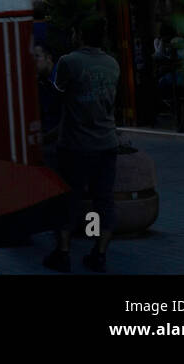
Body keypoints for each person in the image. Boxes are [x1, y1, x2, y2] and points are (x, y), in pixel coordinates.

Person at [42, 17, 120, 273]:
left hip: (75, 143)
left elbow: (57, 92)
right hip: (107, 142)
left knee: (68, 199)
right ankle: (100, 254)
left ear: (79, 34)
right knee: (104, 200)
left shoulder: (69, 61)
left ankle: (62, 252)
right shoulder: (113, 64)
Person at [32, 39, 62, 168]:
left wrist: (43, 138)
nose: (33, 61)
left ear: (48, 57)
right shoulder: (40, 83)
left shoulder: (60, 81)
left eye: (37, 57)